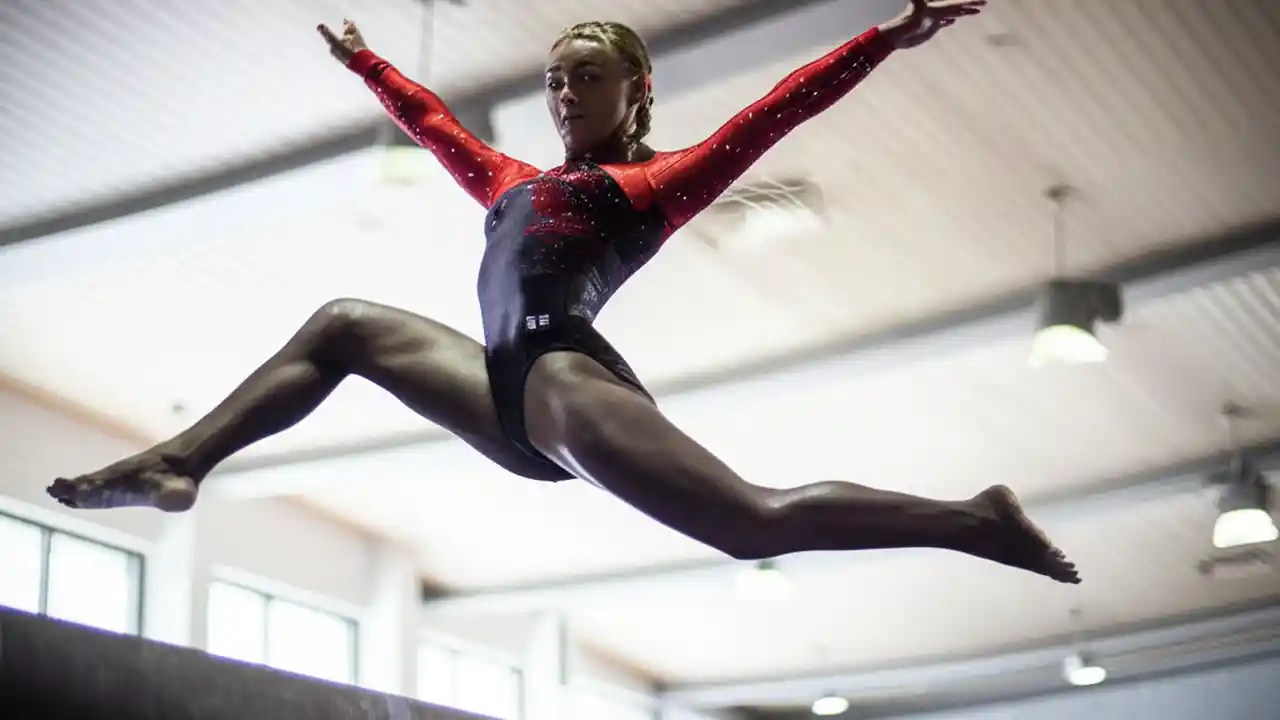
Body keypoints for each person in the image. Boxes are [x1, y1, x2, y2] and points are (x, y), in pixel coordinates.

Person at [48, 0, 1079, 584]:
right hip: (504, 387)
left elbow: (774, 115)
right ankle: (181, 463)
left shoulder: (653, 181)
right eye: (554, 78)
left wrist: (880, 38)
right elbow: (437, 130)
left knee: (750, 523)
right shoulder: (514, 185)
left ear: (634, 93)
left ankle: (970, 519)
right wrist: (368, 65)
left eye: (587, 77)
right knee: (344, 325)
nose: (564, 93)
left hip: (562, 377)